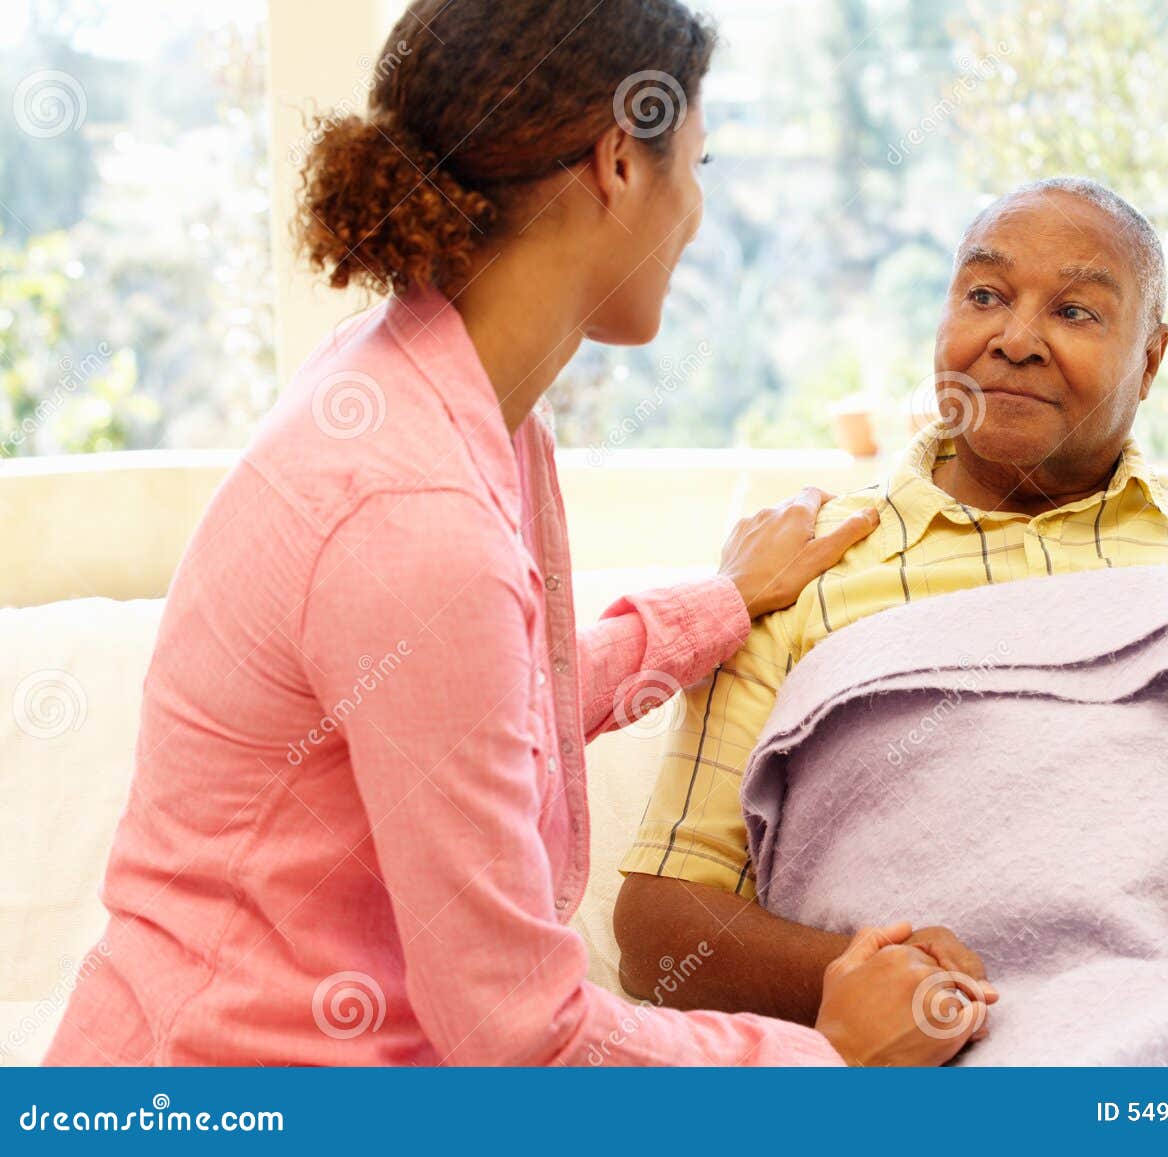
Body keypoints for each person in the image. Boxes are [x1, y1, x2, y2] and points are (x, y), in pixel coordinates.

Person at [43, 0, 994, 1068]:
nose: (697, 210)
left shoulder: (444, 386)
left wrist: (717, 607)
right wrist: (828, 1056)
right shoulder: (410, 513)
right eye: (697, 160)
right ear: (617, 166)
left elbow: (481, 711)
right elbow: (522, 1039)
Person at [615, 177, 1168, 1022]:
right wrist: (857, 971)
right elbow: (658, 930)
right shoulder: (801, 568)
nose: (1014, 339)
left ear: (1150, 360)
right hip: (953, 1048)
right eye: (984, 296)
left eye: (1075, 311)